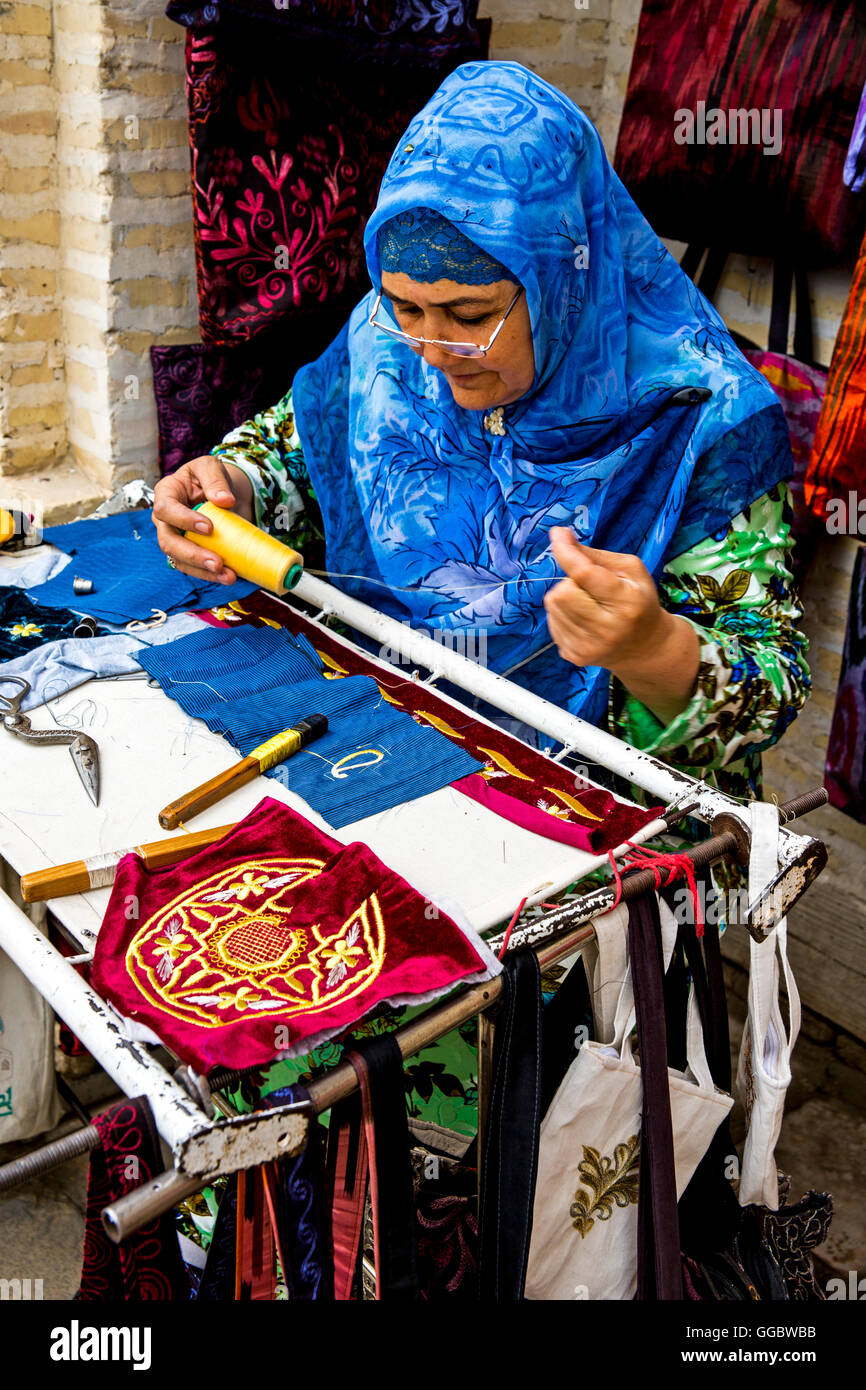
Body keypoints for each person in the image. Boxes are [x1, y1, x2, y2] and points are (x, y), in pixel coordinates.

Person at [153, 60, 810, 807]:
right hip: (398, 742)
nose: (432, 353)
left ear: (563, 280)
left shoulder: (696, 417)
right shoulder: (386, 346)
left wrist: (652, 648)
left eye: (470, 317)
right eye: (403, 307)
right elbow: (298, 456)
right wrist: (231, 483)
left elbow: (771, 686)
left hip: (601, 810)